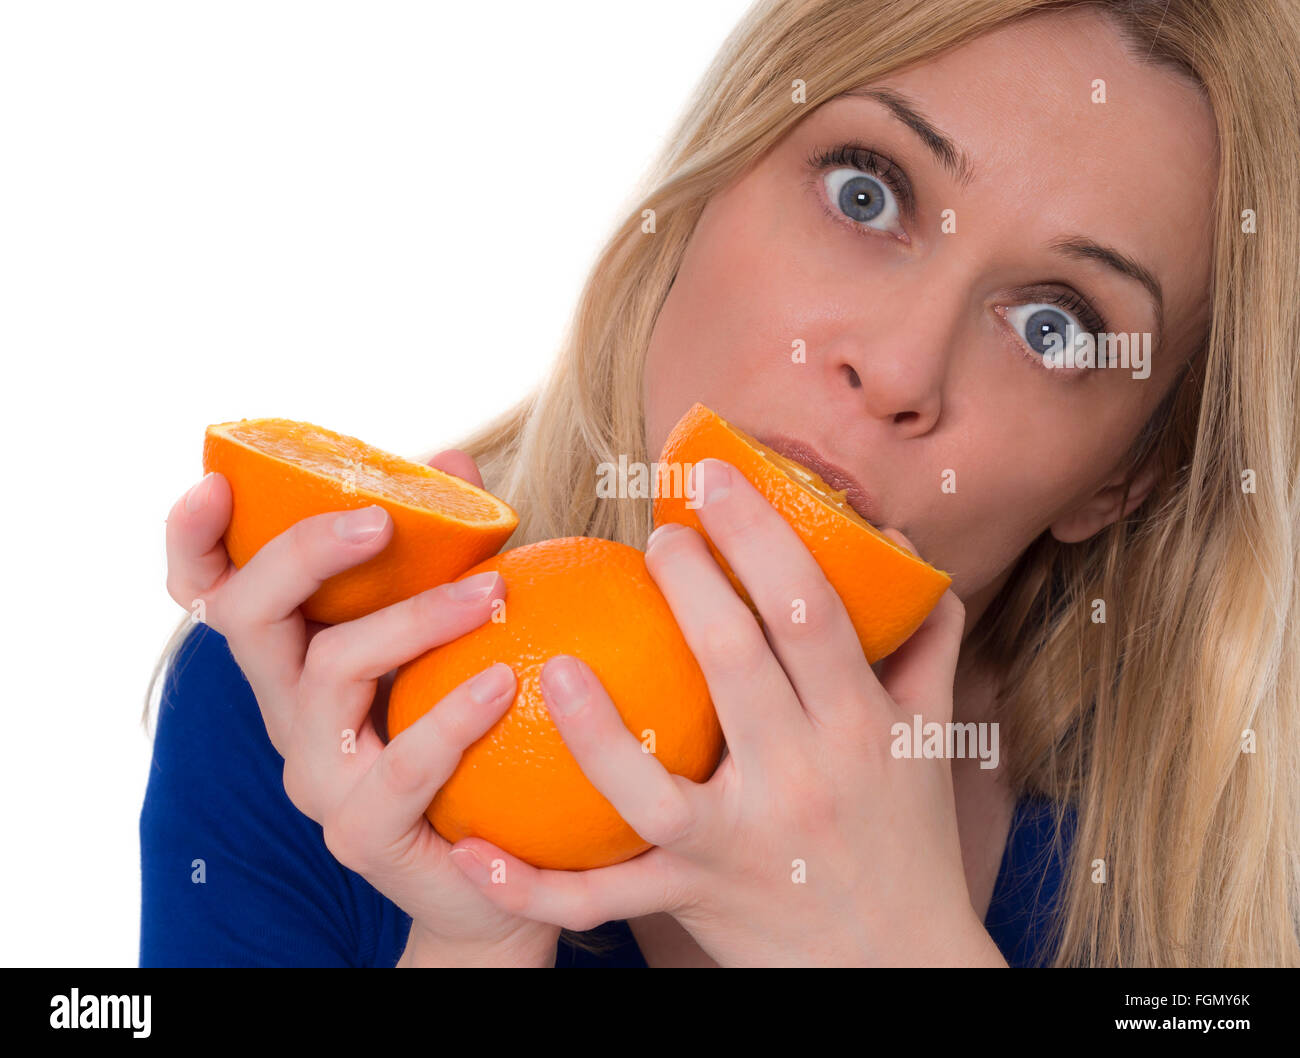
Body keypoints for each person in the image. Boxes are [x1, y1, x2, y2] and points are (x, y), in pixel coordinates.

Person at [142, 0, 1300, 967]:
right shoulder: (314, 706)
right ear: (700, 195)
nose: (896, 369)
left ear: (1124, 478)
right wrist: (479, 931)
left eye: (1052, 325)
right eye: (867, 193)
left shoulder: (1214, 846)